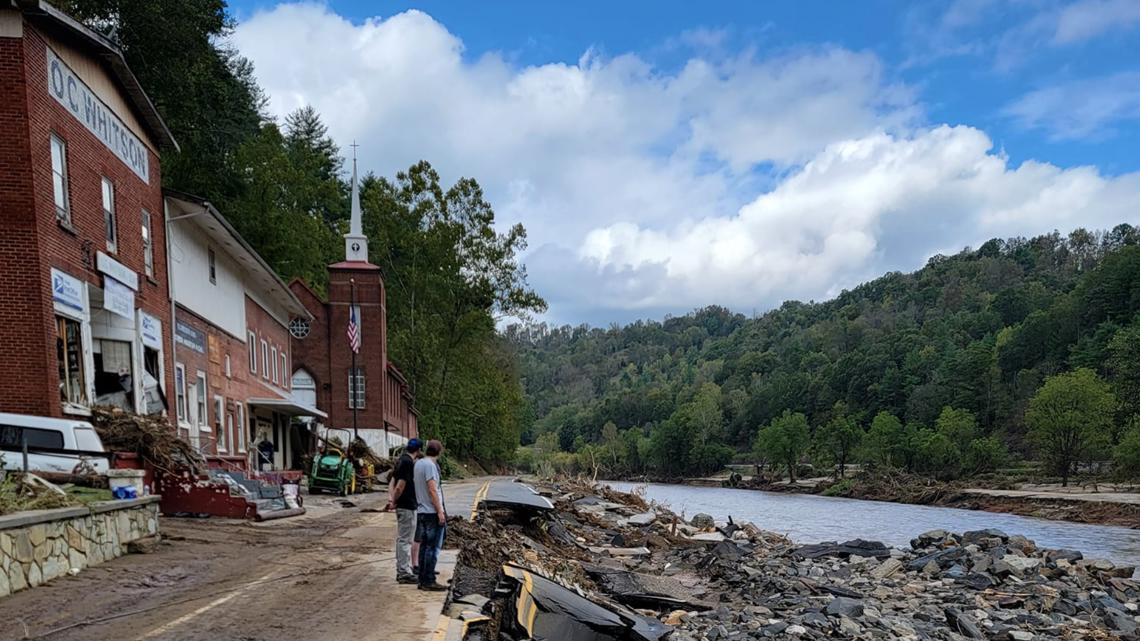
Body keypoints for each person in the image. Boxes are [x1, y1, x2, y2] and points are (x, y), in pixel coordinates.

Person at [413, 439, 447, 591]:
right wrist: (440, 511)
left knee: (424, 546)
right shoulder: (430, 466)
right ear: (439, 452)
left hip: (421, 510)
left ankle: (422, 579)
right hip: (431, 511)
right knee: (432, 548)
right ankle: (429, 580)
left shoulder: (418, 464)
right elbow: (432, 489)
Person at [388, 438, 422, 584]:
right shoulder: (408, 463)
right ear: (419, 450)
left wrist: (392, 499)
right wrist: (395, 500)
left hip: (404, 505)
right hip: (407, 505)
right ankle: (403, 572)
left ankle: (404, 569)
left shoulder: (400, 460)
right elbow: (400, 486)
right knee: (405, 540)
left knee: (403, 539)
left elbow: (392, 482)